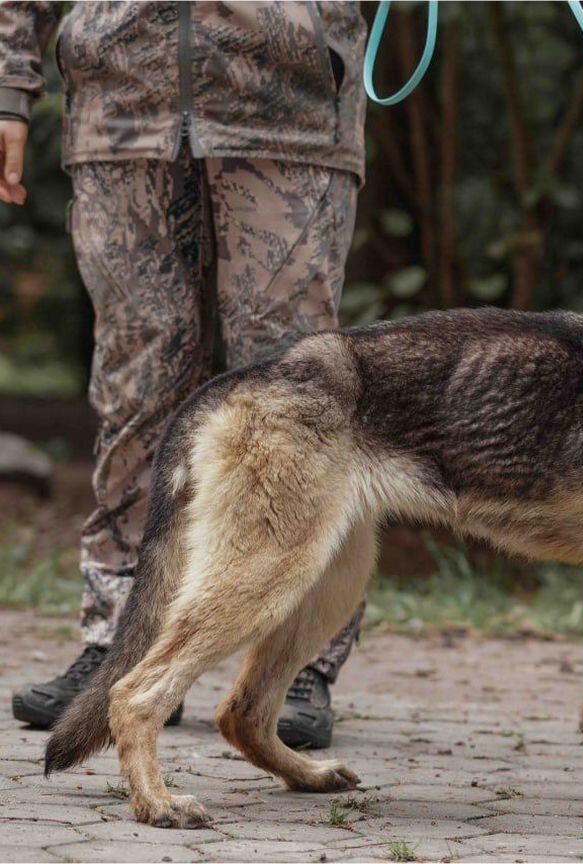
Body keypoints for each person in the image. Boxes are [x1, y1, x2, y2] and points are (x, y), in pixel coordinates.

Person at [1, 1, 368, 750]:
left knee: (296, 398)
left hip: (288, 105)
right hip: (121, 104)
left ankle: (292, 660)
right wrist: (10, 88)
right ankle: (121, 644)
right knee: (135, 387)